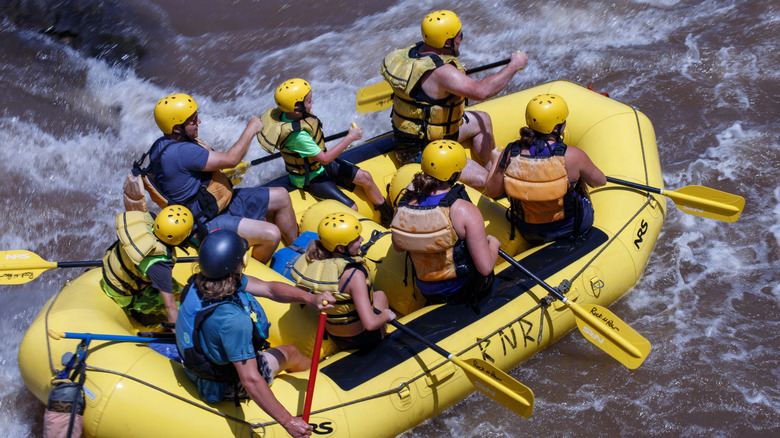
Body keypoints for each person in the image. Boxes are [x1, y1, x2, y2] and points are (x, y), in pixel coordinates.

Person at [175, 229, 334, 438]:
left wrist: (310, 299)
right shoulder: (233, 322)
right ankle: (322, 376)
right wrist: (289, 422)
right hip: (223, 383)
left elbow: (269, 289)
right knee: (290, 353)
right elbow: (250, 380)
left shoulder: (205, 281)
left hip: (198, 362)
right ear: (235, 266)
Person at [133, 93, 299, 264]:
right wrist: (251, 129)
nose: (199, 122)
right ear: (177, 128)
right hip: (205, 222)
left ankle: (295, 252)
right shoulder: (182, 152)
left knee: (282, 196)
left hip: (215, 205)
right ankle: (258, 268)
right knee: (272, 234)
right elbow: (231, 159)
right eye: (193, 120)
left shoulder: (162, 144)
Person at [381, 9, 529, 190]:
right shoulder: (442, 72)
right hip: (424, 151)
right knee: (488, 181)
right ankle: (490, 182)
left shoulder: (415, 51)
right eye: (460, 36)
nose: (461, 40)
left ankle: (489, 167)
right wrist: (514, 65)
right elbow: (481, 92)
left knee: (483, 119)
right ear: (447, 41)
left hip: (423, 135)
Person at [258, 78, 395, 226]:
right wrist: (350, 138)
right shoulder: (298, 136)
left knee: (365, 177)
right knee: (352, 207)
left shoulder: (294, 115)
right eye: (309, 102)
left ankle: (387, 215)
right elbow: (324, 158)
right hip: (309, 177)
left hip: (319, 166)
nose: (313, 104)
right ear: (297, 108)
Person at [390, 140, 499, 309]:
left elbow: (398, 246)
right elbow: (485, 268)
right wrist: (493, 243)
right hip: (463, 288)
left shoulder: (404, 205)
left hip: (427, 290)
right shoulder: (463, 210)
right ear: (453, 175)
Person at [484, 94, 607, 243]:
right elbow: (600, 182)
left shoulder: (512, 152)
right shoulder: (573, 156)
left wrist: (495, 159)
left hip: (528, 231)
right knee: (579, 182)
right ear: (557, 127)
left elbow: (492, 191)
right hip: (570, 227)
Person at [290, 212, 395, 351]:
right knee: (380, 295)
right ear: (340, 248)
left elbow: (299, 296)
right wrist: (387, 315)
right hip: (362, 339)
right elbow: (370, 324)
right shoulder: (354, 275)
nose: (362, 239)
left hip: (335, 335)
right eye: (356, 239)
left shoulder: (315, 261)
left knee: (374, 297)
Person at [101, 205, 193, 326]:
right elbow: (170, 307)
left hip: (113, 271)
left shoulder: (146, 227)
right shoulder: (160, 265)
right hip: (122, 293)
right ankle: (142, 317)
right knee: (176, 307)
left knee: (176, 288)